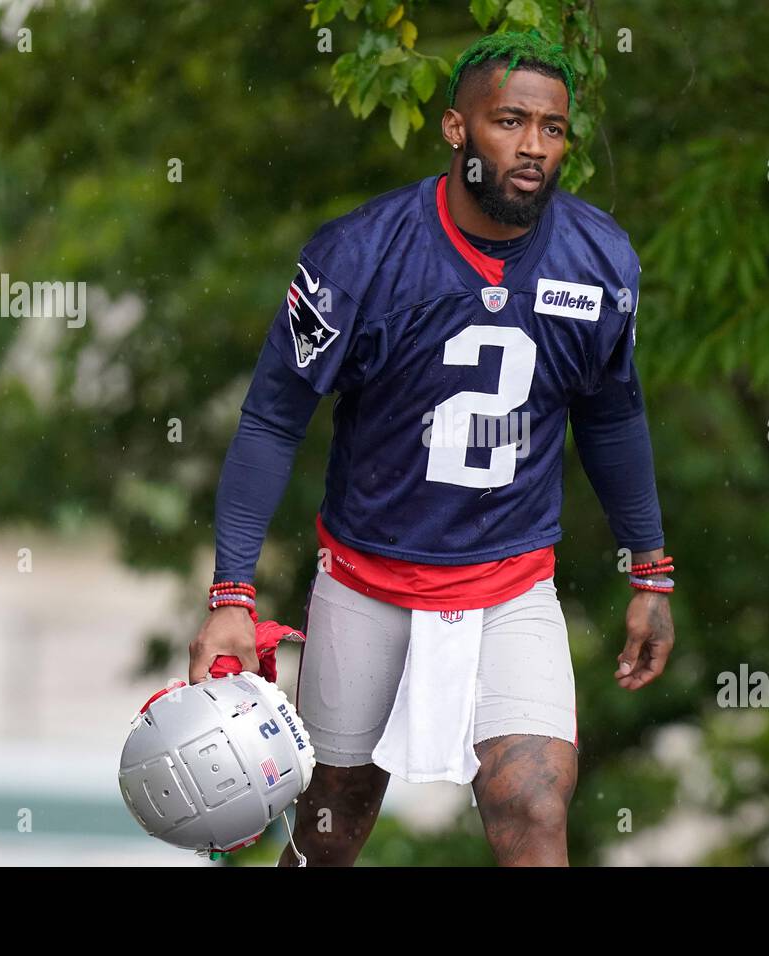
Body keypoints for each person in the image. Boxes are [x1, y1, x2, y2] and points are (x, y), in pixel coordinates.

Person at [189, 29, 674, 867]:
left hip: (510, 579)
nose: (532, 147)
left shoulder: (599, 261)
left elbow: (612, 416)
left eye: (552, 129)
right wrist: (232, 592)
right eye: (509, 121)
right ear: (457, 129)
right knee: (333, 819)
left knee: (532, 804)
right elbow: (273, 418)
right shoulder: (358, 256)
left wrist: (651, 570)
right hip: (371, 578)